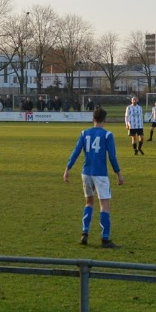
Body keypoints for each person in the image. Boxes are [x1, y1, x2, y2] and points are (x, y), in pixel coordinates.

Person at [65, 106, 124, 248]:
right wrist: (119, 174)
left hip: (86, 173)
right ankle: (105, 239)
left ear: (93, 119)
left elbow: (76, 152)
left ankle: (84, 233)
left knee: (89, 202)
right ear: (104, 120)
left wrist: (67, 168)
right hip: (100, 174)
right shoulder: (107, 135)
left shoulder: (84, 133)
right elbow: (112, 157)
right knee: (104, 204)